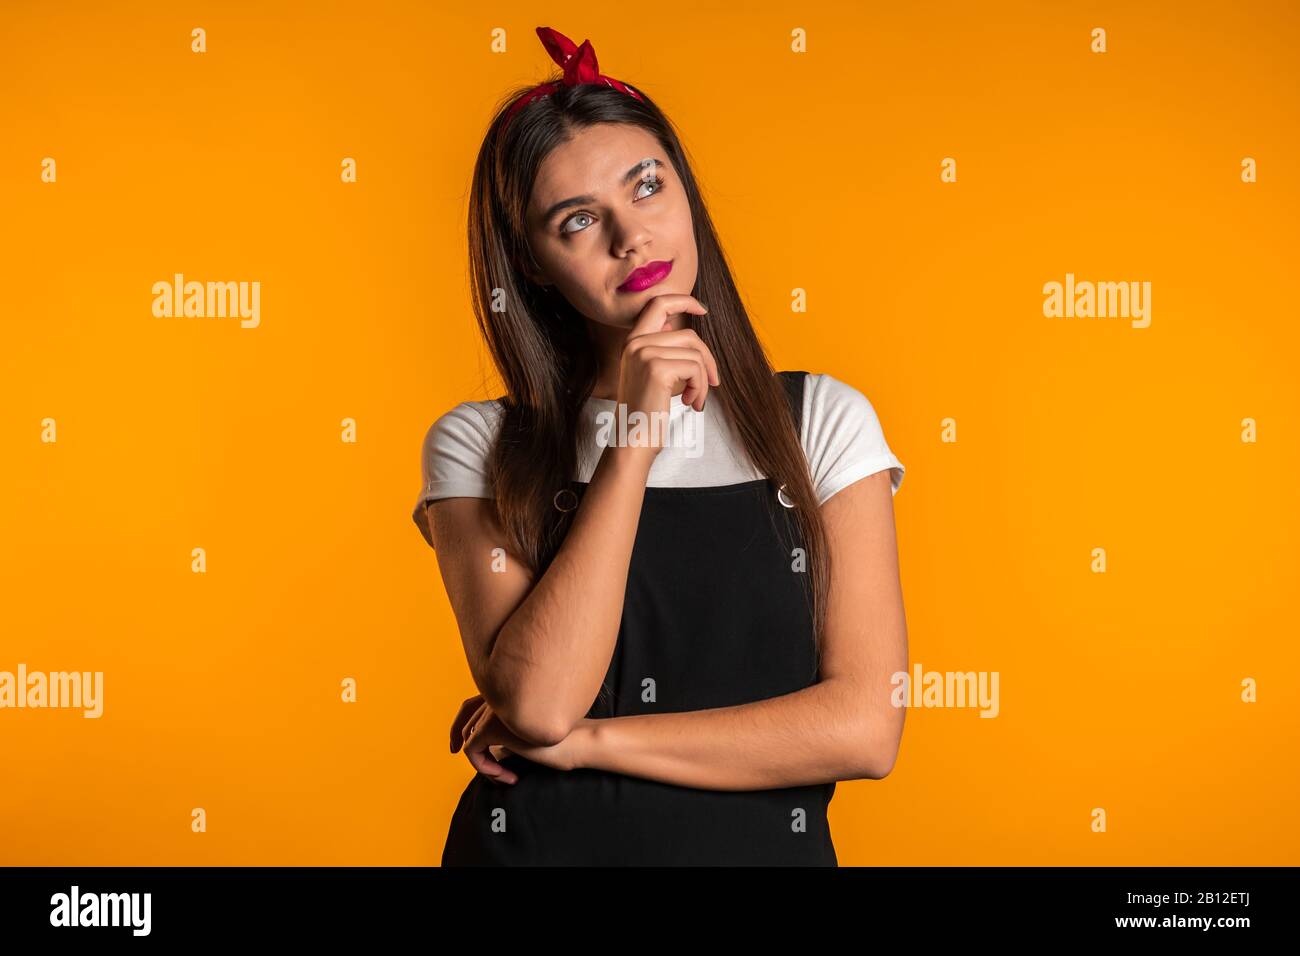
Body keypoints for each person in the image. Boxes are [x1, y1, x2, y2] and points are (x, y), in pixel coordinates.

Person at [412, 26, 909, 865]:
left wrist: (589, 745)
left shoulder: (820, 422)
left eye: (647, 185)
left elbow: (864, 729)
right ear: (532, 264)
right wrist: (635, 437)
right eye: (577, 220)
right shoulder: (480, 444)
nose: (630, 236)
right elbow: (537, 704)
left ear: (686, 191)